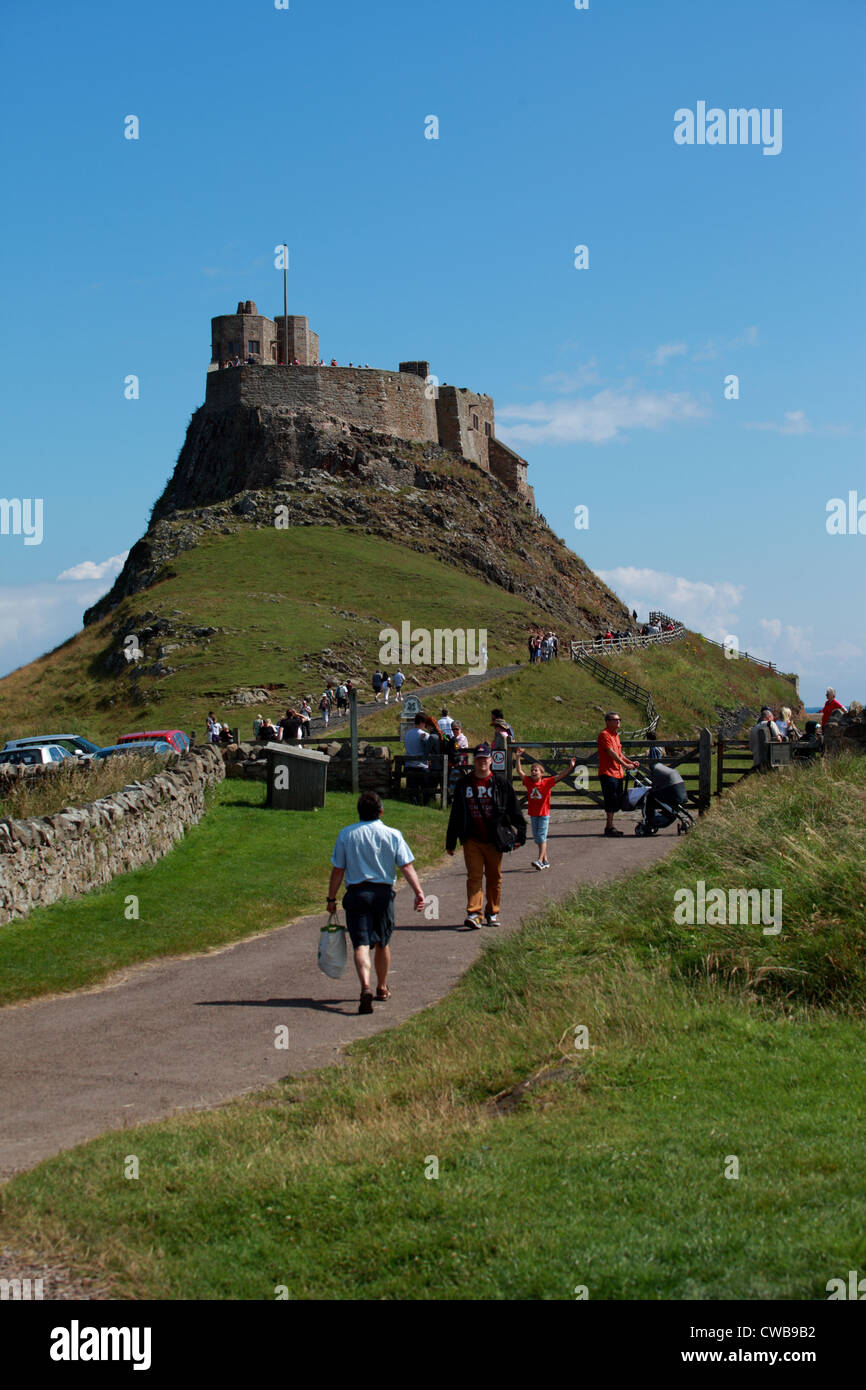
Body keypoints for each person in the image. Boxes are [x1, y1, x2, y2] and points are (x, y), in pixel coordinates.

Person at [327, 792, 426, 1014]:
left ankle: (365, 986)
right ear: (381, 811)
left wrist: (331, 898)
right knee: (382, 941)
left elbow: (338, 870)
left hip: (356, 894)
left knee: (361, 944)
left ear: (359, 812)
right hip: (382, 894)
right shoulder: (393, 834)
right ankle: (382, 987)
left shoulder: (346, 835)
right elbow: (406, 866)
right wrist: (418, 892)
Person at [446, 743, 526, 929]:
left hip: (494, 838)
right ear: (475, 761)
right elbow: (456, 813)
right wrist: (451, 841)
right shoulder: (464, 783)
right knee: (473, 876)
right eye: (479, 759)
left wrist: (520, 833)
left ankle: (492, 912)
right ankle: (474, 913)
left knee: (494, 877)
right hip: (471, 838)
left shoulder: (501, 784)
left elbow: (514, 808)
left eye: (485, 758)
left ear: (491, 760)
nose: (482, 762)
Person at [514, 747, 577, 869]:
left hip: (543, 814)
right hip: (533, 814)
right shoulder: (528, 782)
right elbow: (519, 770)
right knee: (538, 838)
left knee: (542, 837)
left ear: (541, 773)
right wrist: (517, 757)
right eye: (532, 770)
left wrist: (570, 767)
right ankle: (545, 860)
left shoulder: (547, 782)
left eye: (536, 770)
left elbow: (560, 776)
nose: (533, 772)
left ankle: (539, 860)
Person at [597, 711, 639, 837]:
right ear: (608, 721)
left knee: (615, 800)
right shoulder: (604, 735)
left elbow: (619, 753)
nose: (618, 721)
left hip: (617, 773)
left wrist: (630, 762)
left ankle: (610, 826)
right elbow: (611, 753)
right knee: (610, 800)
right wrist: (625, 765)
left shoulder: (615, 735)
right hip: (608, 772)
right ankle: (609, 827)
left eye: (619, 719)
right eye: (615, 719)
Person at [643, 746, 688, 831]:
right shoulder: (658, 748)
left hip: (668, 787)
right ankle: (653, 820)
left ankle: (650, 820)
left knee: (650, 799)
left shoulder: (654, 749)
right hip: (675, 784)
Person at [403, 712, 438, 804]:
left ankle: (413, 802)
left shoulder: (407, 734)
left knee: (412, 790)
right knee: (425, 790)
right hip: (421, 767)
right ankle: (425, 803)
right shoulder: (425, 735)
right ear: (422, 722)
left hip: (409, 765)